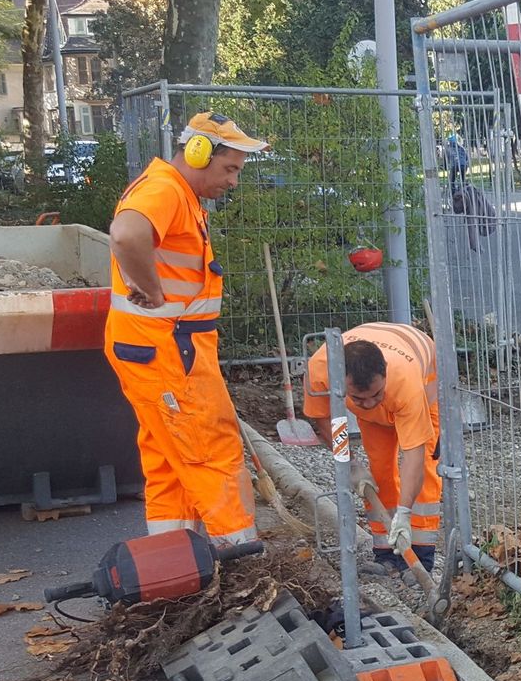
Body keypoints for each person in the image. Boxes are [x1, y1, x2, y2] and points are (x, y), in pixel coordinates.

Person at [104, 111, 268, 549]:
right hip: (168, 353)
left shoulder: (179, 195)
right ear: (197, 153)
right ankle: (242, 559)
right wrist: (149, 288)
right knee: (210, 452)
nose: (233, 182)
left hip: (154, 348)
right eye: (229, 168)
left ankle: (172, 562)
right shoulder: (166, 189)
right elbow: (125, 233)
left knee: (169, 458)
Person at [302, 323, 443, 572]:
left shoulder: (405, 382)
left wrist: (405, 512)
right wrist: (350, 461)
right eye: (357, 398)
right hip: (390, 379)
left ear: (385, 373)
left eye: (376, 395)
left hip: (422, 376)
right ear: (338, 383)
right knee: (379, 469)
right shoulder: (321, 368)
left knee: (426, 464)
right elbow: (323, 417)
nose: (368, 404)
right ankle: (386, 552)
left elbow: (413, 456)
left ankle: (419, 556)